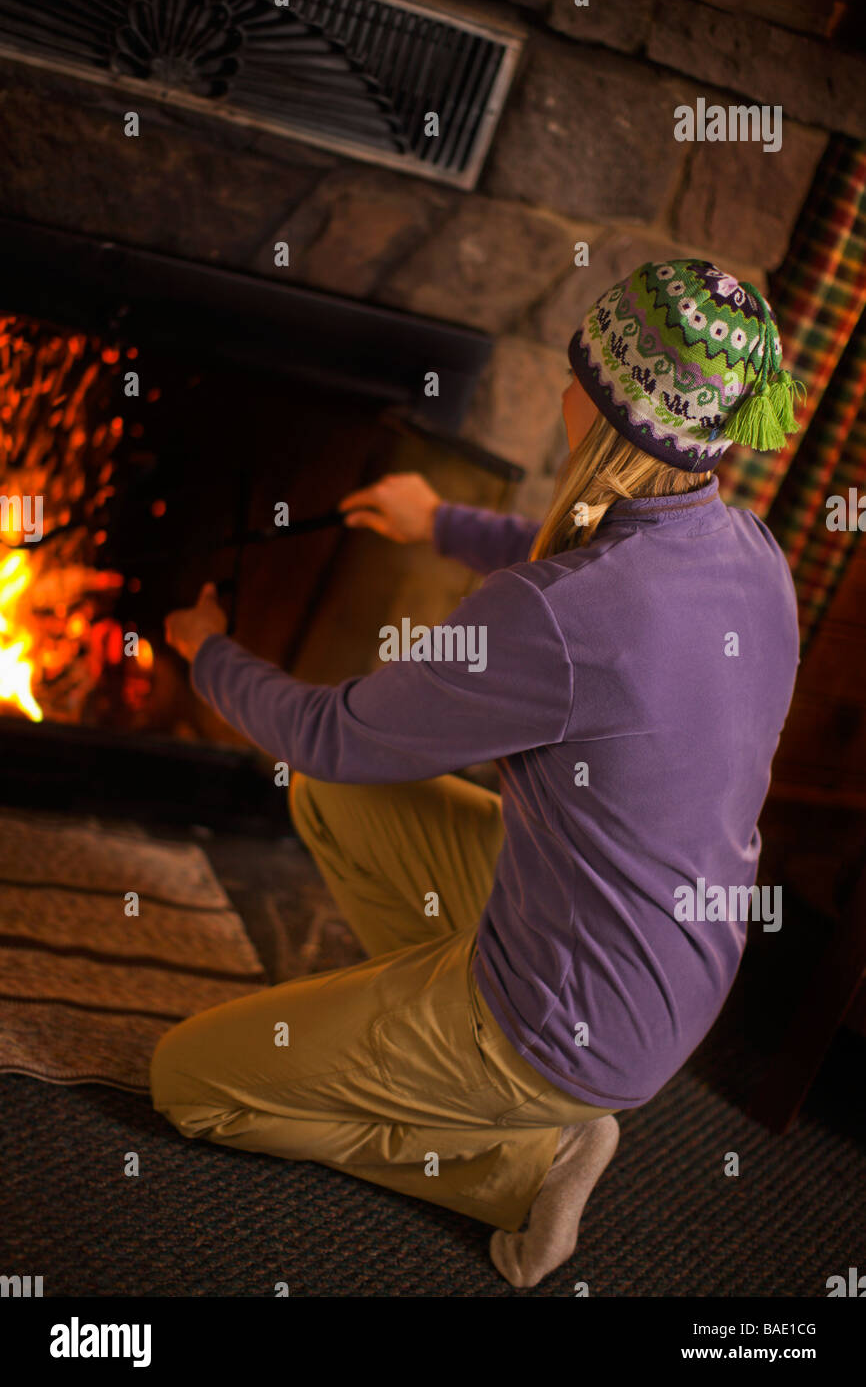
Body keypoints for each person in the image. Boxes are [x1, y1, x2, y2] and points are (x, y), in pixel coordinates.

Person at [153, 260, 802, 1289]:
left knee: (187, 1083)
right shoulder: (755, 556)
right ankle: (476, 1083)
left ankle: (515, 1158)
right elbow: (597, 573)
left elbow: (327, 732)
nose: (560, 375)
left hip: (564, 1021)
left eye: (576, 365)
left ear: (593, 406)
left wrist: (206, 653)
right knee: (340, 799)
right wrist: (441, 521)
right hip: (669, 978)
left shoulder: (552, 616)